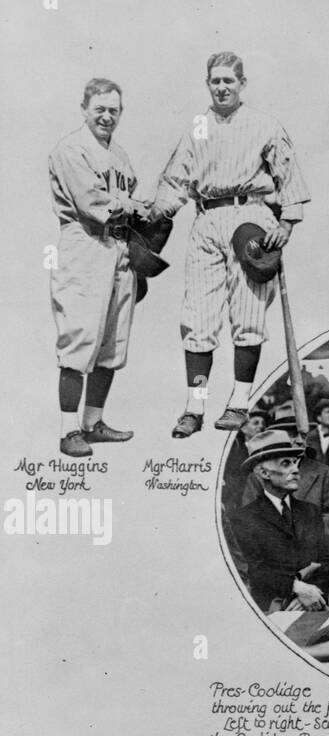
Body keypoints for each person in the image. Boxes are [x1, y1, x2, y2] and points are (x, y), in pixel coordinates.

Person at [150, 52, 310, 437]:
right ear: (208, 84)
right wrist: (154, 212)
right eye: (215, 81)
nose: (222, 87)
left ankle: (239, 402)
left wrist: (287, 222)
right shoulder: (198, 128)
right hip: (206, 218)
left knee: (248, 315)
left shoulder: (264, 125)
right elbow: (174, 183)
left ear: (242, 84)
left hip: (250, 216)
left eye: (229, 81)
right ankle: (195, 407)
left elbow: (288, 176)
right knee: (198, 316)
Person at [49, 78, 143, 458]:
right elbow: (94, 203)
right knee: (79, 338)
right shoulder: (71, 148)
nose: (107, 116)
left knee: (112, 342)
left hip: (118, 247)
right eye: (100, 109)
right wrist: (139, 207)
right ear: (85, 108)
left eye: (113, 110)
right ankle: (67, 429)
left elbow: (128, 197)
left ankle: (93, 421)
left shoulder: (119, 154)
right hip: (85, 244)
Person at [232, 428, 329, 612]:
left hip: (314, 607)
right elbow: (256, 571)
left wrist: (311, 593)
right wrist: (296, 588)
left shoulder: (310, 512)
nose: (296, 470)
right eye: (286, 464)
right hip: (271, 613)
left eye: (295, 462)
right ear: (264, 473)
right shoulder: (245, 518)